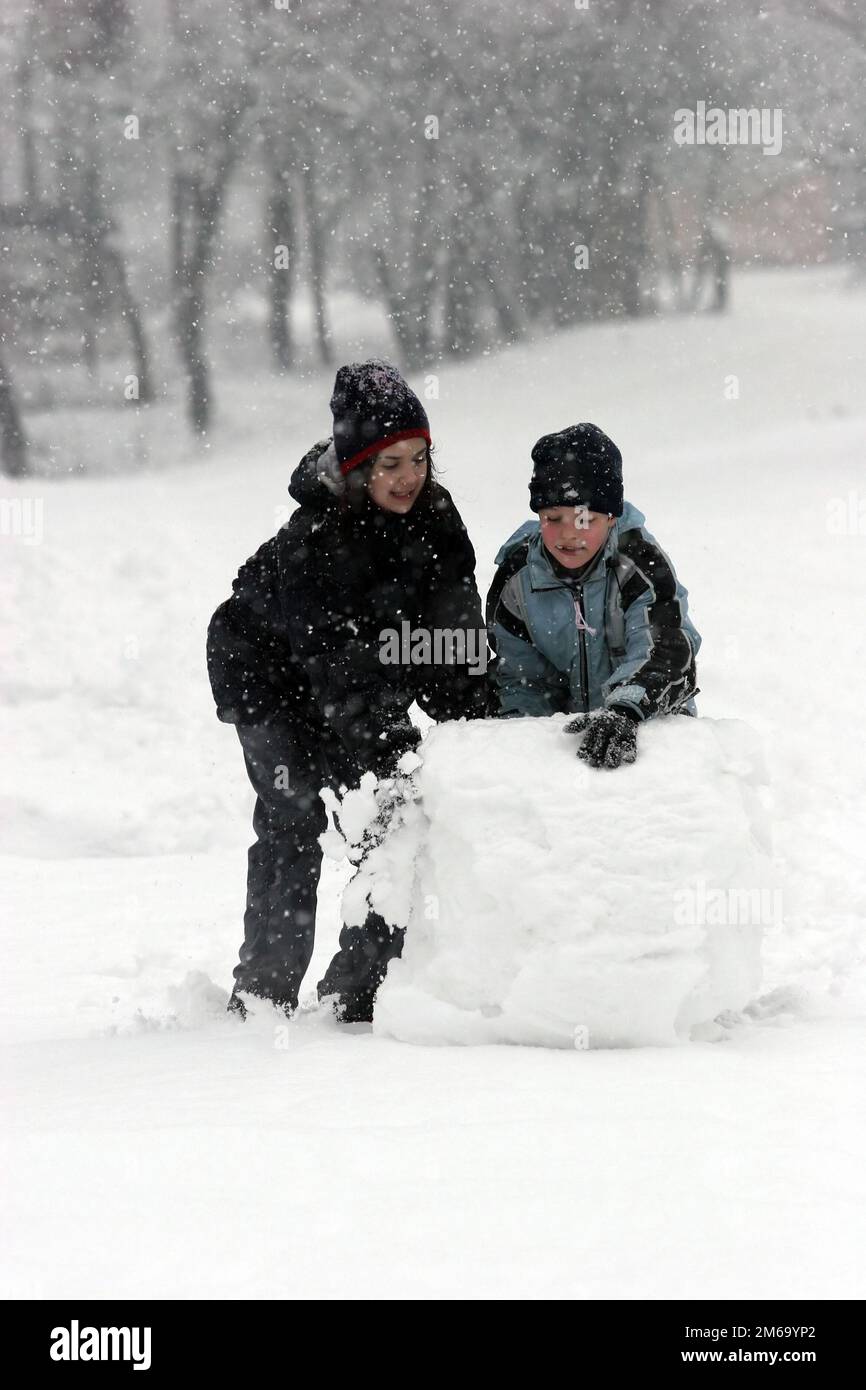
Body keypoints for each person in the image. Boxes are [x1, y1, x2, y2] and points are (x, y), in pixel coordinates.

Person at [207, 361, 490, 1021]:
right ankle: (263, 995)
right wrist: (387, 740)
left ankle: (356, 994)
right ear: (358, 464)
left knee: (393, 819)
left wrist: (479, 720)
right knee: (293, 819)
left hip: (357, 677)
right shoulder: (317, 539)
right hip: (268, 682)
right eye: (389, 463)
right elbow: (338, 664)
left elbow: (453, 636)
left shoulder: (437, 517)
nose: (408, 477)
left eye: (419, 458)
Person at [486, 423, 701, 767]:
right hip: (572, 747)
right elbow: (521, 681)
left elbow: (667, 648)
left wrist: (625, 709)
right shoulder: (518, 581)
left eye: (585, 519)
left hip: (648, 728)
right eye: (553, 517)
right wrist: (525, 749)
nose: (568, 534)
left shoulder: (639, 564)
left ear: (611, 517)